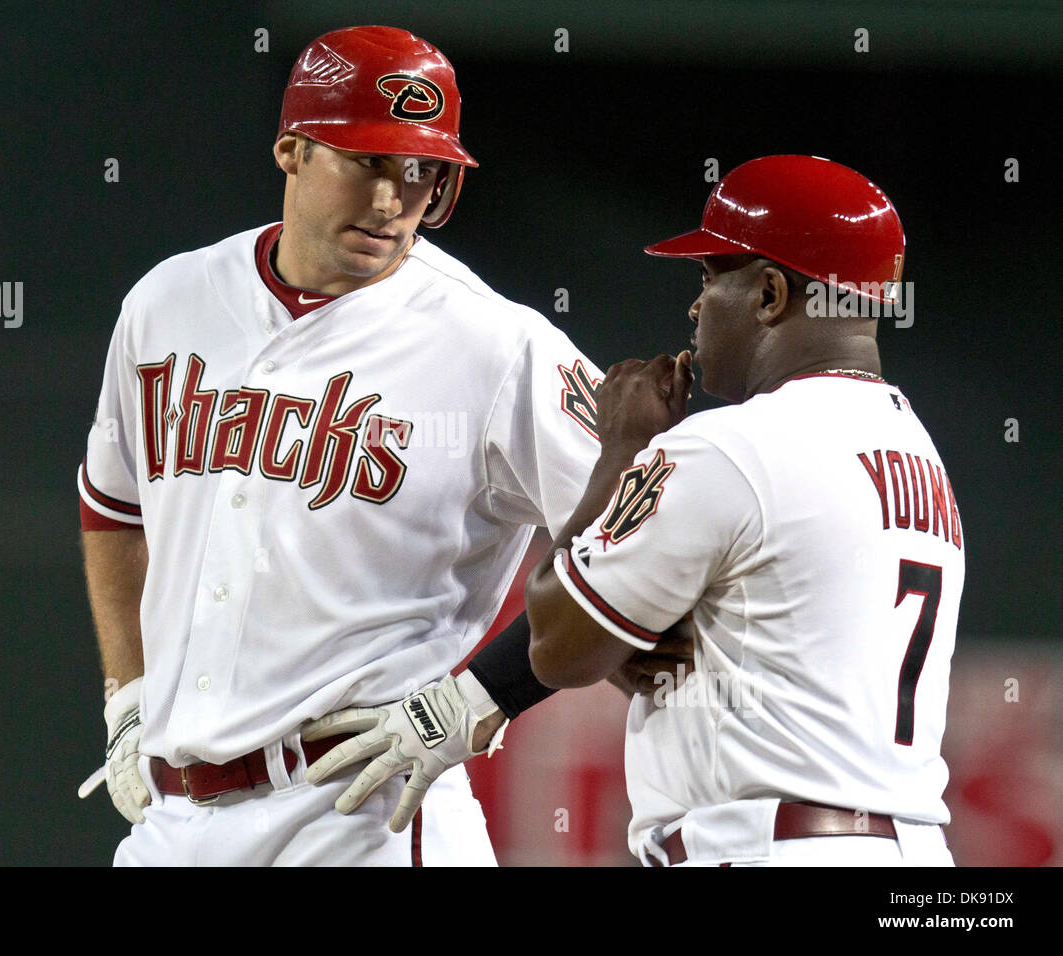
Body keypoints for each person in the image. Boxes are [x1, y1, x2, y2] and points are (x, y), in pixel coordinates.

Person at [74, 25, 664, 866]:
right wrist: (125, 692)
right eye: (370, 162)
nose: (396, 199)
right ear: (292, 151)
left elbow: (655, 533)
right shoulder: (168, 302)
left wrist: (481, 697)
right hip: (170, 821)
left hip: (363, 814)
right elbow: (114, 506)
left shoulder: (495, 343)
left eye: (422, 170)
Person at [526, 155, 964, 867]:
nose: (697, 307)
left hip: (774, 847)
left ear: (768, 294)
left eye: (710, 277)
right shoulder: (921, 456)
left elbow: (557, 645)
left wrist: (622, 452)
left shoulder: (733, 445)